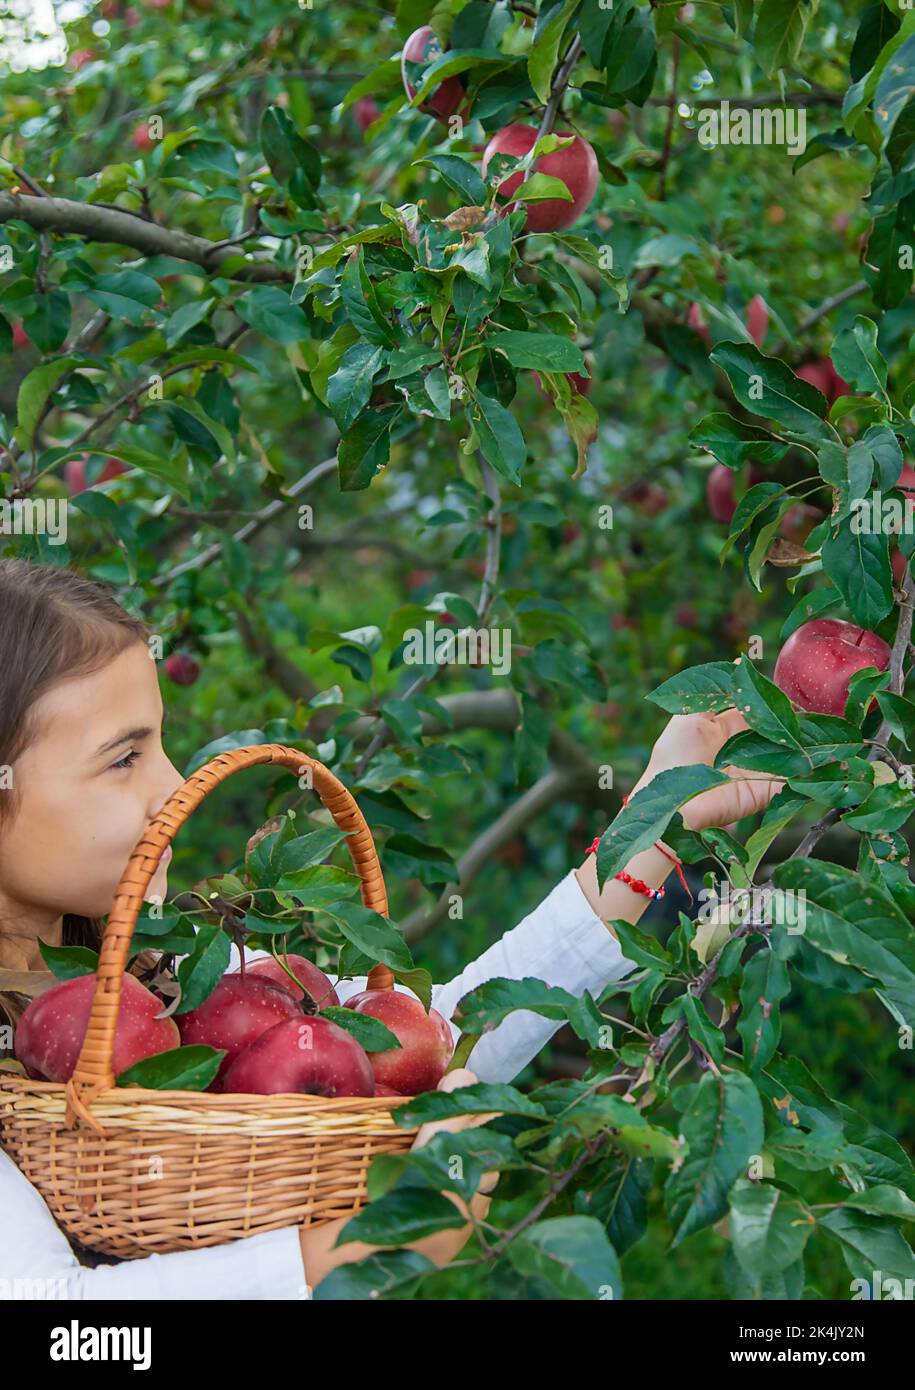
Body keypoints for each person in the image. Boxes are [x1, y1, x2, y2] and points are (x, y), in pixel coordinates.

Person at [0, 559, 782, 1297]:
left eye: (162, 742)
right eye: (122, 759)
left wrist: (654, 819)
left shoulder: (175, 968)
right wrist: (384, 1241)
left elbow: (424, 1040)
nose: (174, 784)